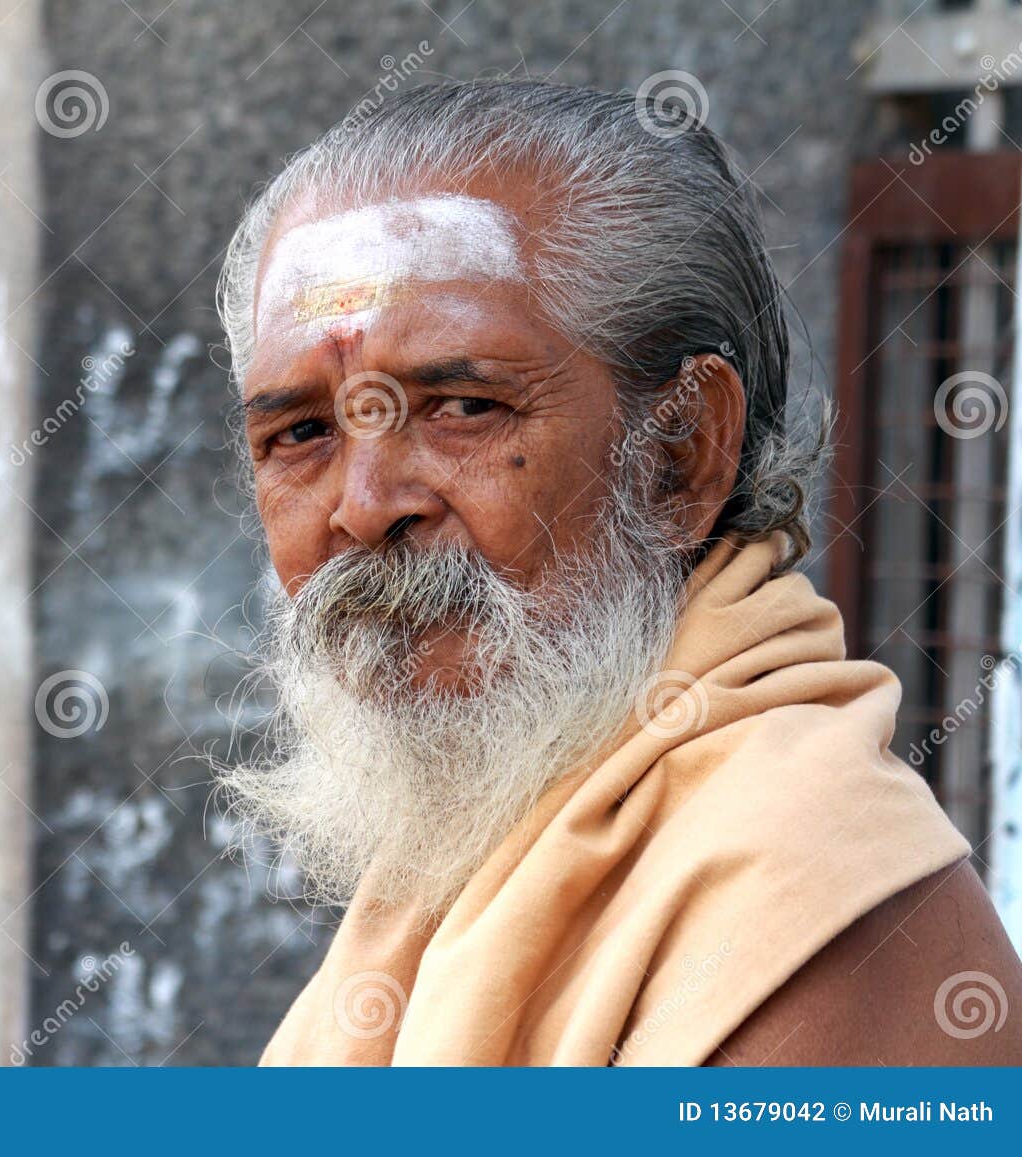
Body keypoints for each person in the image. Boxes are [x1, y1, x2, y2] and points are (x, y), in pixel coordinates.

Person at [214, 79, 1022, 1065]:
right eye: (302, 433)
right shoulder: (470, 850)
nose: (366, 504)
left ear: (680, 454)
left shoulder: (804, 891)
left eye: (463, 407)